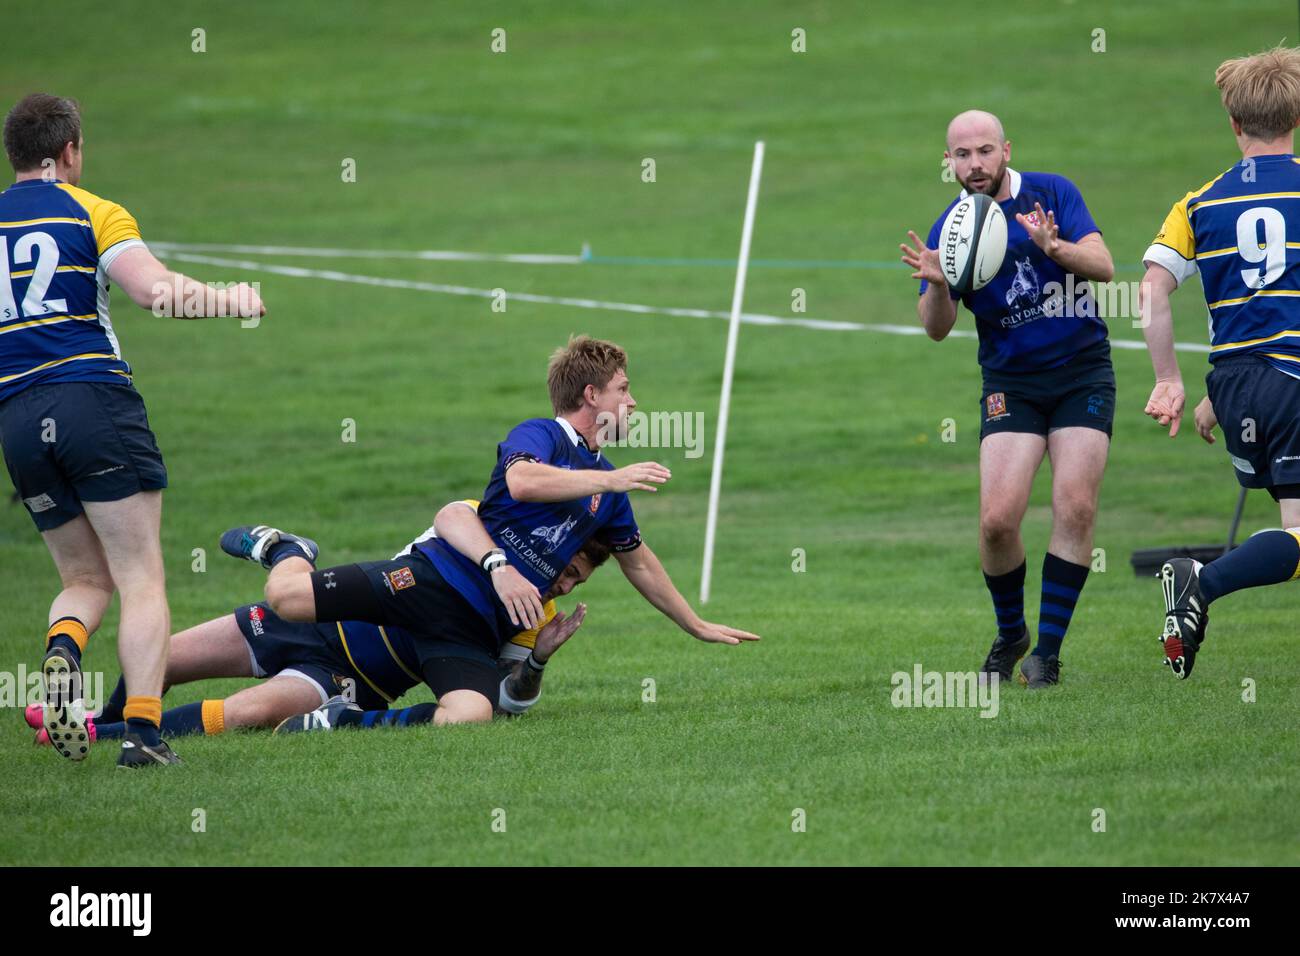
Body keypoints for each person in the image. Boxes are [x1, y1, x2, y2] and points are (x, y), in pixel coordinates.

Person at [218, 335, 760, 725]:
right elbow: (521, 482)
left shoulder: (607, 495)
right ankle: (287, 548)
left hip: (468, 627)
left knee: (471, 716)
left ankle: (341, 721)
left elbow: (637, 560)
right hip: (437, 578)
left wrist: (694, 624)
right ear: (591, 396)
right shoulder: (543, 434)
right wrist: (612, 475)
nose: (633, 401)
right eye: (623, 389)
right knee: (285, 596)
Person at [0, 93, 264, 766]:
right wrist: (234, 300)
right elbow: (154, 292)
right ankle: (144, 735)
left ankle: (62, 654)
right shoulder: (93, 210)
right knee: (141, 575)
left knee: (85, 579)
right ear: (69, 153)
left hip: (18, 420)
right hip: (93, 401)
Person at [27, 501, 606, 745]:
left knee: (246, 712)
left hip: (346, 682)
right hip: (316, 625)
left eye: (577, 581)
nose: (564, 582)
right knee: (159, 660)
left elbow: (505, 701)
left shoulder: (538, 613)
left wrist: (536, 661)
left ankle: (98, 736)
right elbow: (452, 513)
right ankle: (285, 549)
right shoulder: (490, 528)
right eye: (569, 568)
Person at [900, 110, 1115, 688]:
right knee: (997, 521)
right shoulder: (950, 227)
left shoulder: (1053, 192)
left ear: (1006, 151)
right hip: (1011, 384)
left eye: (984, 152)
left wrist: (1056, 247)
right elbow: (936, 328)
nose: (974, 165)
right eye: (962, 155)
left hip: (1081, 374)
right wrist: (941, 286)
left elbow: (1105, 265)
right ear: (947, 161)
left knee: (1075, 506)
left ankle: (1047, 652)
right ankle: (1011, 632)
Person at [1140, 46, 1300, 679]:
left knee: (1295, 533)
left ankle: (1199, 583)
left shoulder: (1199, 204)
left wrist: (1174, 382)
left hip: (1235, 386)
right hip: (1292, 379)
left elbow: (1151, 288)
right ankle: (1200, 583)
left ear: (1233, 122)